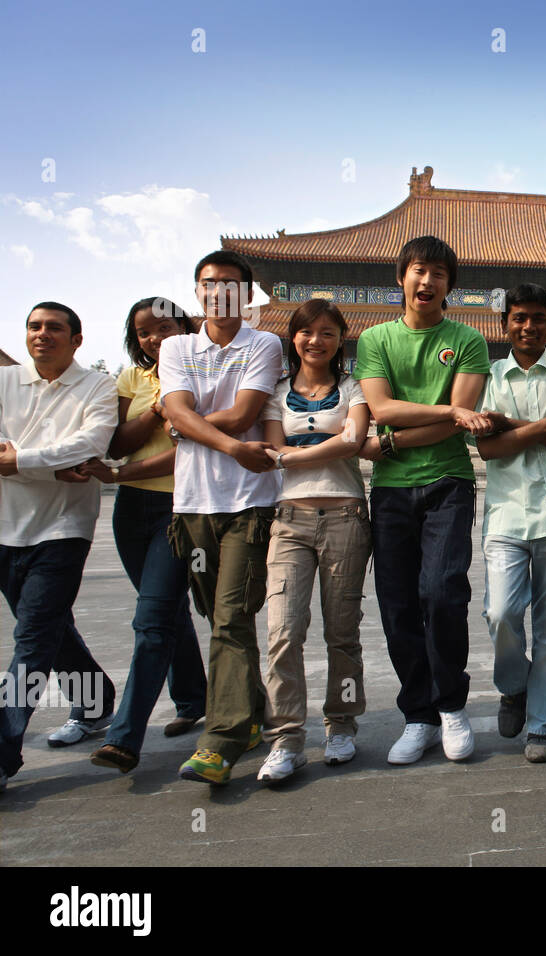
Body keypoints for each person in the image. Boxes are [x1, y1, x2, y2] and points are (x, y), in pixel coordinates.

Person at [355, 235, 492, 766]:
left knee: (442, 593)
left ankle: (451, 705)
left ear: (449, 286)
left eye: (438, 273)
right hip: (389, 491)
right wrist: (444, 415)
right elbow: (382, 407)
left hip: (448, 484)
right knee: (398, 605)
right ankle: (419, 715)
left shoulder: (469, 339)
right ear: (401, 277)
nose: (427, 281)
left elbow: (455, 414)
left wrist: (389, 441)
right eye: (418, 270)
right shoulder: (374, 339)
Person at [161, 251, 284, 784]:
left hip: (248, 504)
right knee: (216, 617)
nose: (220, 293)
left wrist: (187, 425)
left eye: (231, 285)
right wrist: (227, 445)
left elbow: (242, 415)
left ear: (247, 294)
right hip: (192, 505)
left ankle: (222, 738)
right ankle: (252, 709)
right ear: (197, 292)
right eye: (210, 285)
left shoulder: (265, 343)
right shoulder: (175, 345)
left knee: (232, 617)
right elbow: (178, 409)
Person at [81, 297, 207, 774]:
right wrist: (156, 412)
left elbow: (191, 449)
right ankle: (194, 699)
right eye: (144, 332)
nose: (155, 338)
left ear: (184, 326)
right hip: (131, 511)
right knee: (166, 610)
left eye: (164, 327)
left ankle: (124, 736)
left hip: (179, 506)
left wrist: (117, 475)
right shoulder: (131, 379)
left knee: (152, 618)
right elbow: (114, 441)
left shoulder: (199, 373)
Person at [0, 302, 118, 792]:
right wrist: (47, 467)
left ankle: (3, 754)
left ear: (77, 339)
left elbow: (88, 446)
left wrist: (15, 460)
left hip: (64, 528)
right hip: (5, 527)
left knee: (31, 639)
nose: (41, 334)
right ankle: (95, 702)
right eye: (34, 327)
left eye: (54, 327)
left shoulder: (97, 387)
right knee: (49, 630)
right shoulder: (4, 383)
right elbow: (63, 456)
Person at [255, 299, 372, 782]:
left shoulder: (354, 388)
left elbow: (353, 442)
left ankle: (341, 723)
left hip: (344, 515)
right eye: (307, 332)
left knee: (342, 633)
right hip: (290, 521)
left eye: (327, 333)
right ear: (293, 337)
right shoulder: (275, 394)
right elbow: (270, 449)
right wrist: (296, 454)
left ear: (340, 339)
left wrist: (290, 456)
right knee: (283, 632)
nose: (315, 341)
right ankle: (286, 738)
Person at [473, 284, 546, 764]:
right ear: (505, 325)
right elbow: (488, 448)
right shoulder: (490, 377)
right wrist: (543, 426)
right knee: (500, 613)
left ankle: (542, 725)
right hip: (506, 512)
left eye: (538, 318)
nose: (528, 326)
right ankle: (514, 685)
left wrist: (513, 425)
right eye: (518, 318)